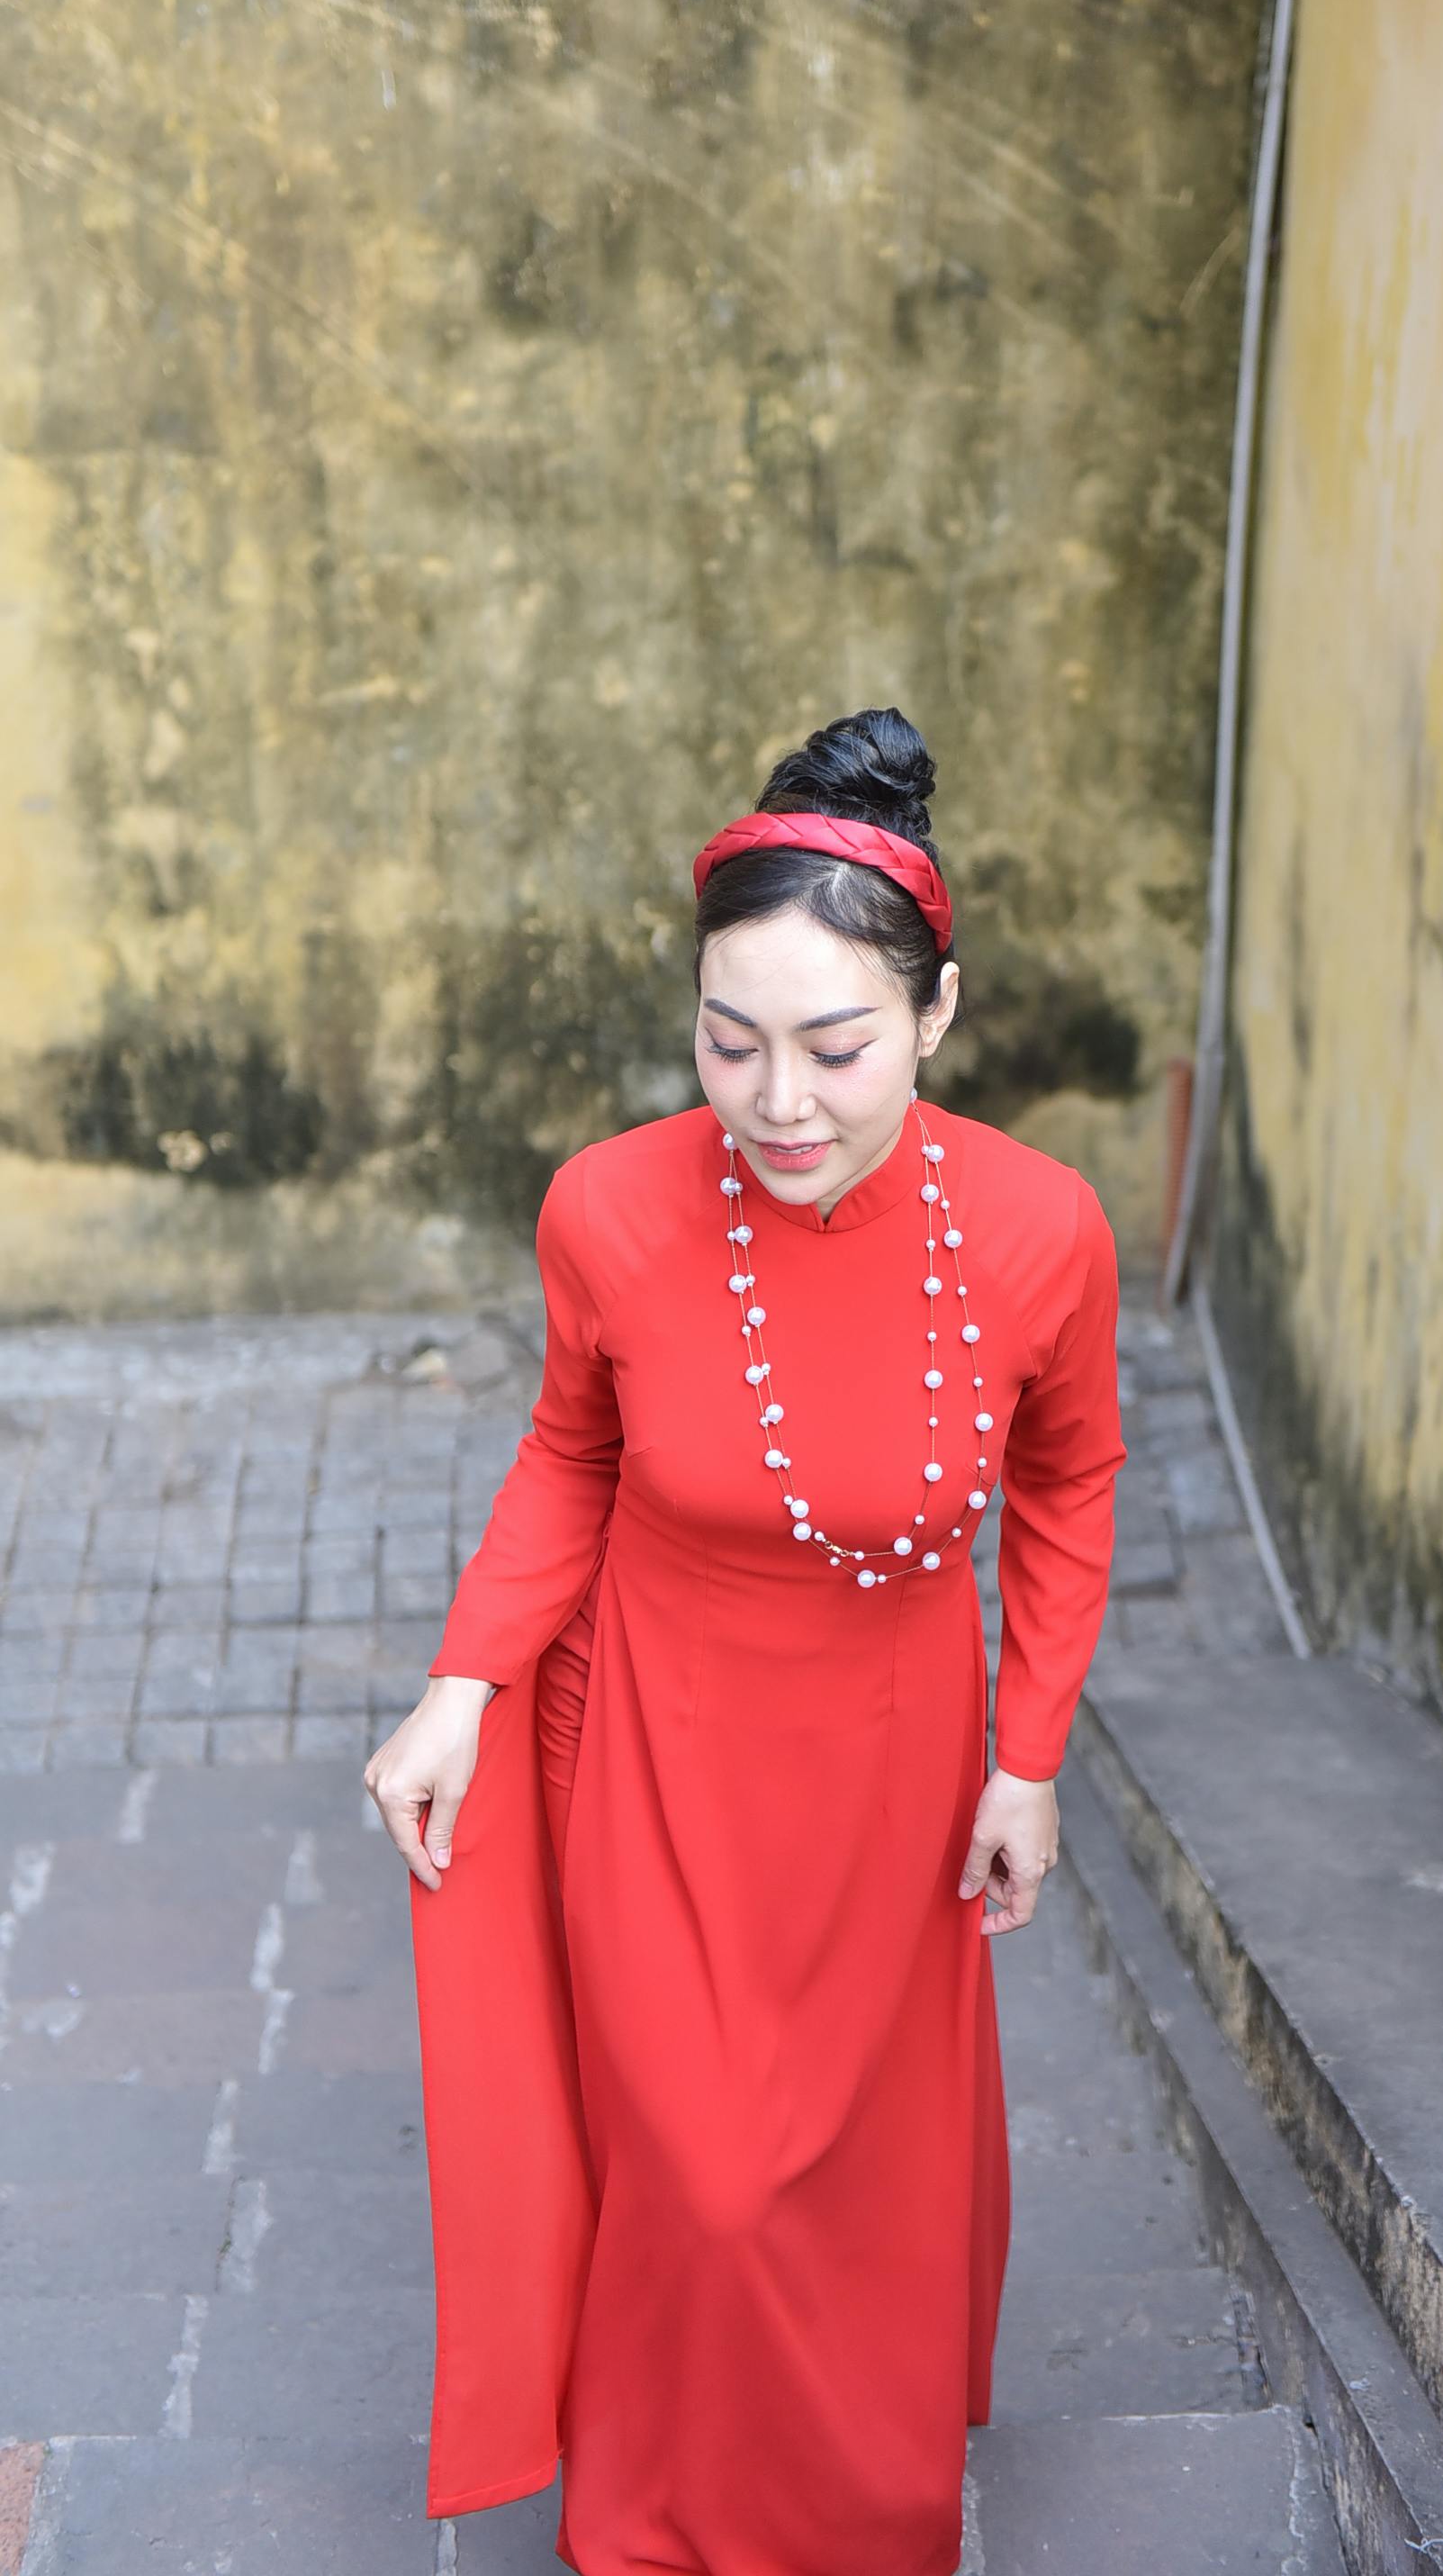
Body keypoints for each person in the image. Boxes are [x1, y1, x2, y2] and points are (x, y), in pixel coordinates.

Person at [364, 705, 1127, 2576]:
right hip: (651, 1732)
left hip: (896, 1753)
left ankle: (861, 2516)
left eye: (835, 1046)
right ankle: (649, 2521)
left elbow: (1067, 1486)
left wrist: (1028, 1757)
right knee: (700, 2174)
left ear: (934, 1018)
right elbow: (568, 1453)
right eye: (730, 1040)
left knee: (856, 2168)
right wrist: (462, 1684)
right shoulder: (608, 1209)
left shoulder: (1040, 1230)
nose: (778, 1100)